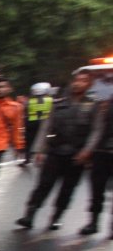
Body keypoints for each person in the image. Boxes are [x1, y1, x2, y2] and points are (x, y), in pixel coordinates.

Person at [15, 69, 102, 231]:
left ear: (89, 85)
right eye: (76, 80)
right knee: (44, 185)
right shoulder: (59, 103)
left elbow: (96, 131)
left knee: (67, 189)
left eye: (83, 81)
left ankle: (56, 217)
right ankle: (30, 215)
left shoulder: (93, 105)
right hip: (55, 152)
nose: (78, 83)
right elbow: (46, 127)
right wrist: (39, 151)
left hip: (77, 155)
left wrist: (87, 151)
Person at [83, 97, 113, 237]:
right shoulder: (101, 102)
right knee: (96, 190)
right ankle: (93, 222)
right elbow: (92, 127)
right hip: (100, 153)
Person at [23, 82, 53, 166]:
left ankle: (27, 159)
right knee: (42, 141)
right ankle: (39, 159)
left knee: (29, 142)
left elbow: (25, 111)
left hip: (31, 123)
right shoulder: (50, 100)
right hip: (44, 124)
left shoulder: (29, 101)